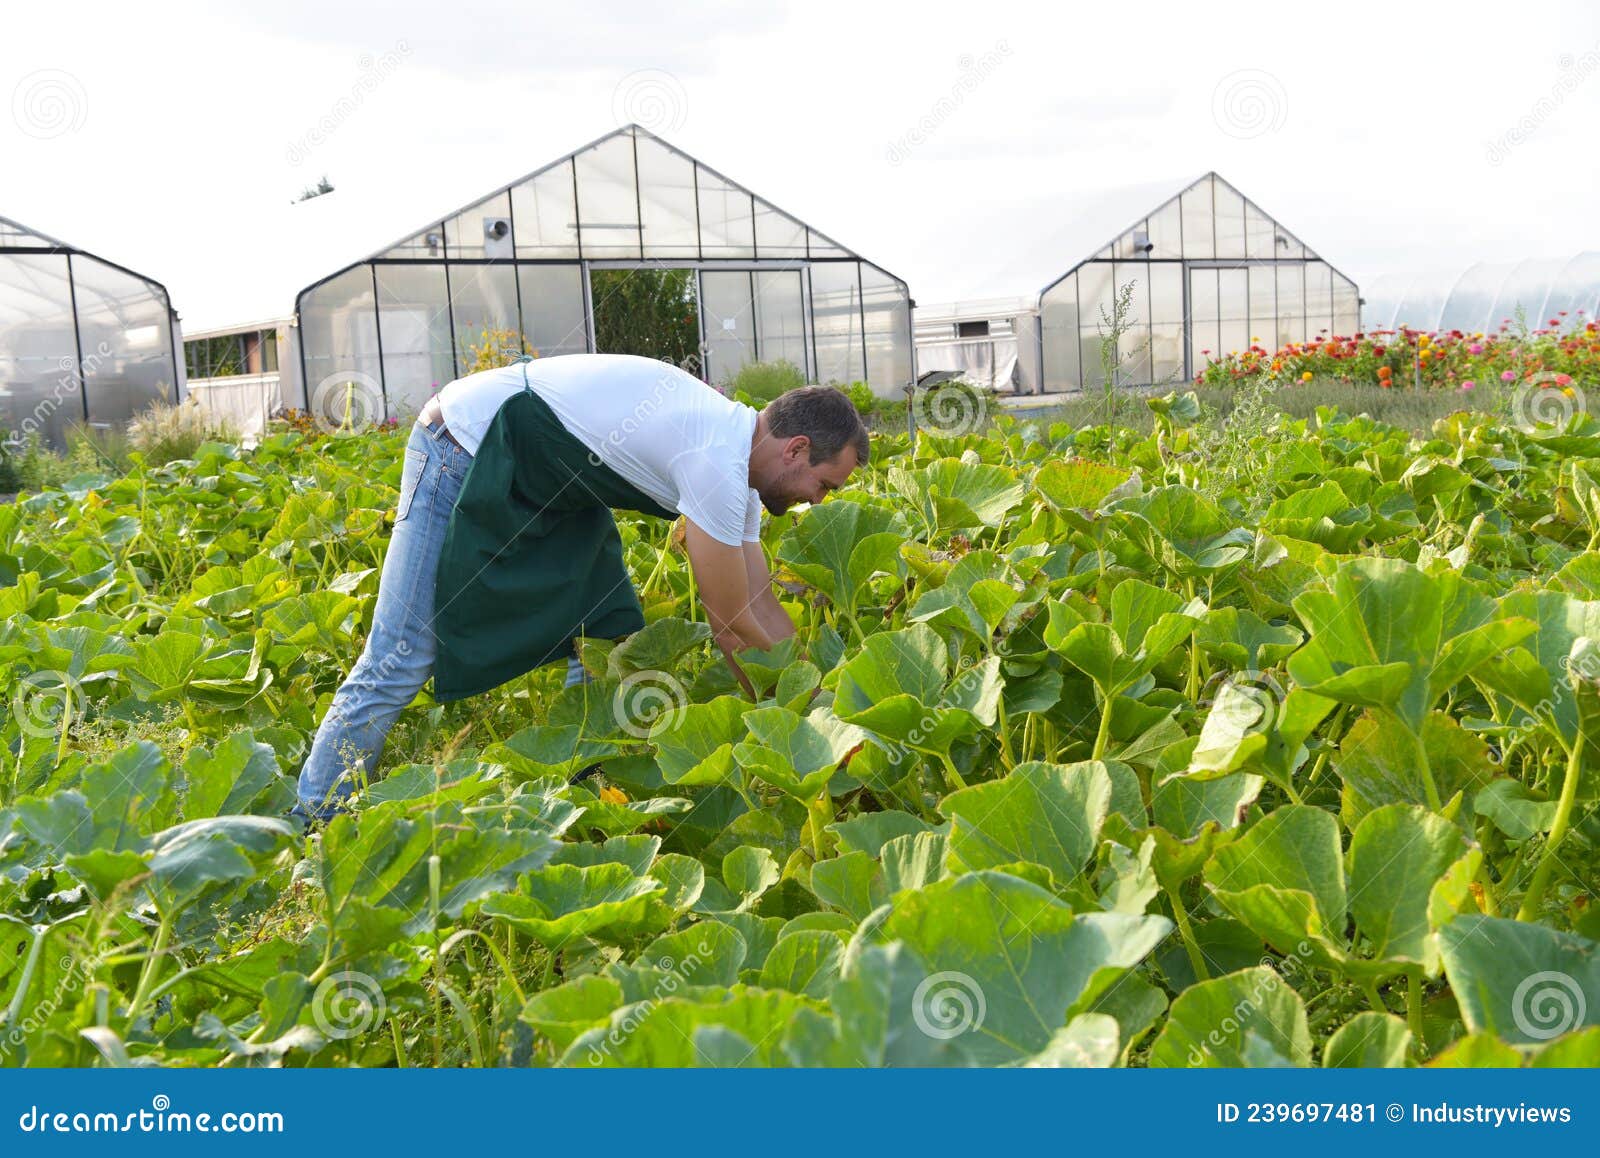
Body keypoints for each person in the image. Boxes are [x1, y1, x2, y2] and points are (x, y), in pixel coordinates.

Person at [293, 353, 868, 821]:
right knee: (402, 652)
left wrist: (815, 697)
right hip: (465, 446)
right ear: (794, 450)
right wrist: (812, 726)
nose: (818, 501)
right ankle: (317, 821)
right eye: (823, 484)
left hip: (552, 473)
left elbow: (760, 600)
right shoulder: (714, 459)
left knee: (605, 634)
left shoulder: (740, 466)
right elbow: (730, 620)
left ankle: (577, 794)